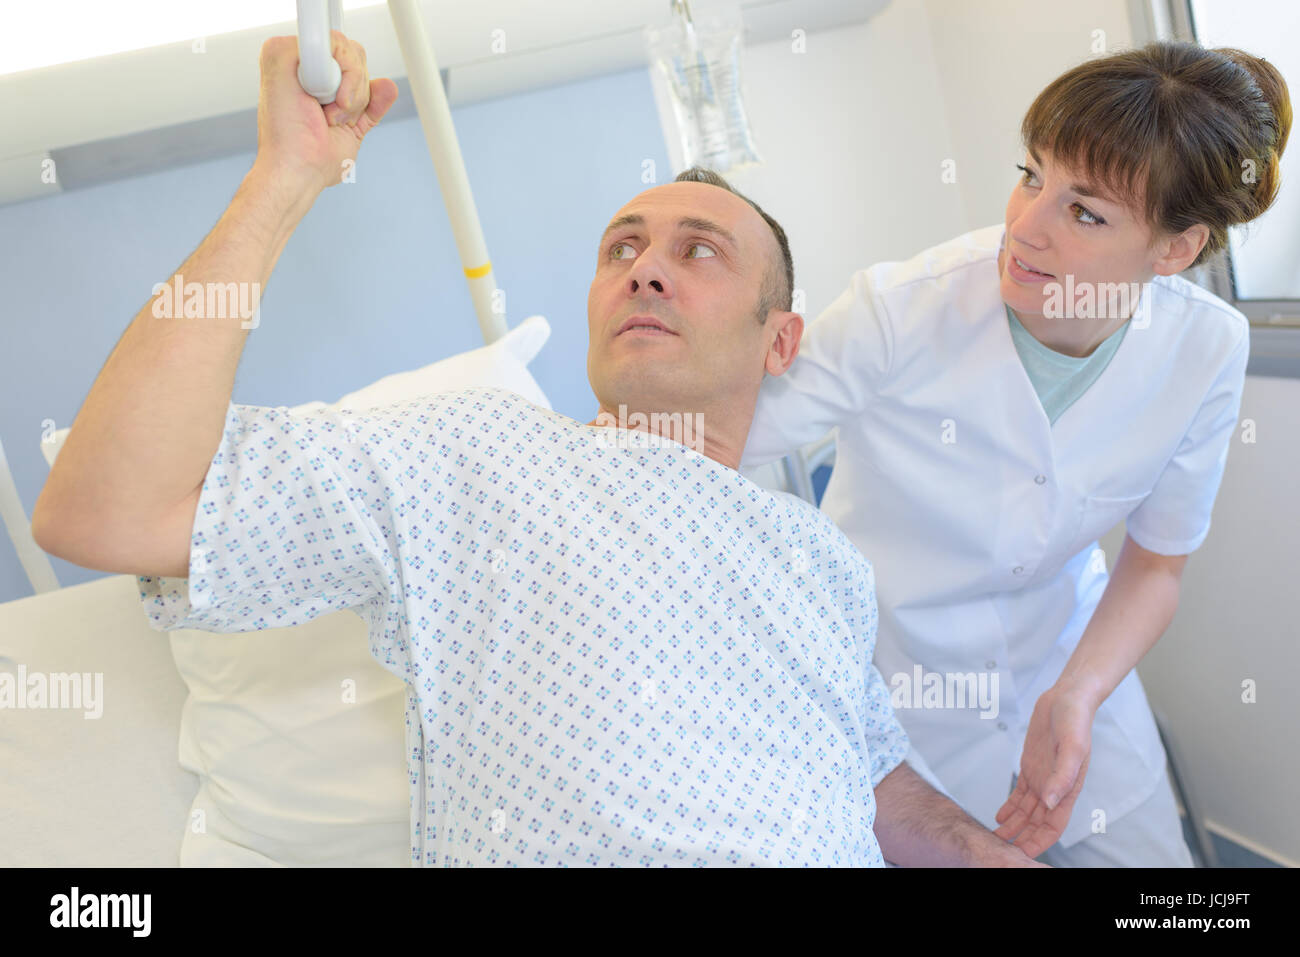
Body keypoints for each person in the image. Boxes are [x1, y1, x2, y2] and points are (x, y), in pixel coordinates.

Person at [30, 30, 1043, 868]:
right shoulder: (473, 454)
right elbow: (106, 511)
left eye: (697, 252)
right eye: (622, 249)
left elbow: (873, 783)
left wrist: (988, 849)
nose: (645, 270)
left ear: (780, 341)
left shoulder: (817, 561)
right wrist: (285, 179)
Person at [741, 40, 1292, 867]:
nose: (1023, 226)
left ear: (1174, 250)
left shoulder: (1206, 346)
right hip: (902, 708)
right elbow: (716, 442)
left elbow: (1156, 566)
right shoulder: (901, 311)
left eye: (1085, 211)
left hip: (1073, 676)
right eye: (1032, 175)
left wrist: (1077, 695)